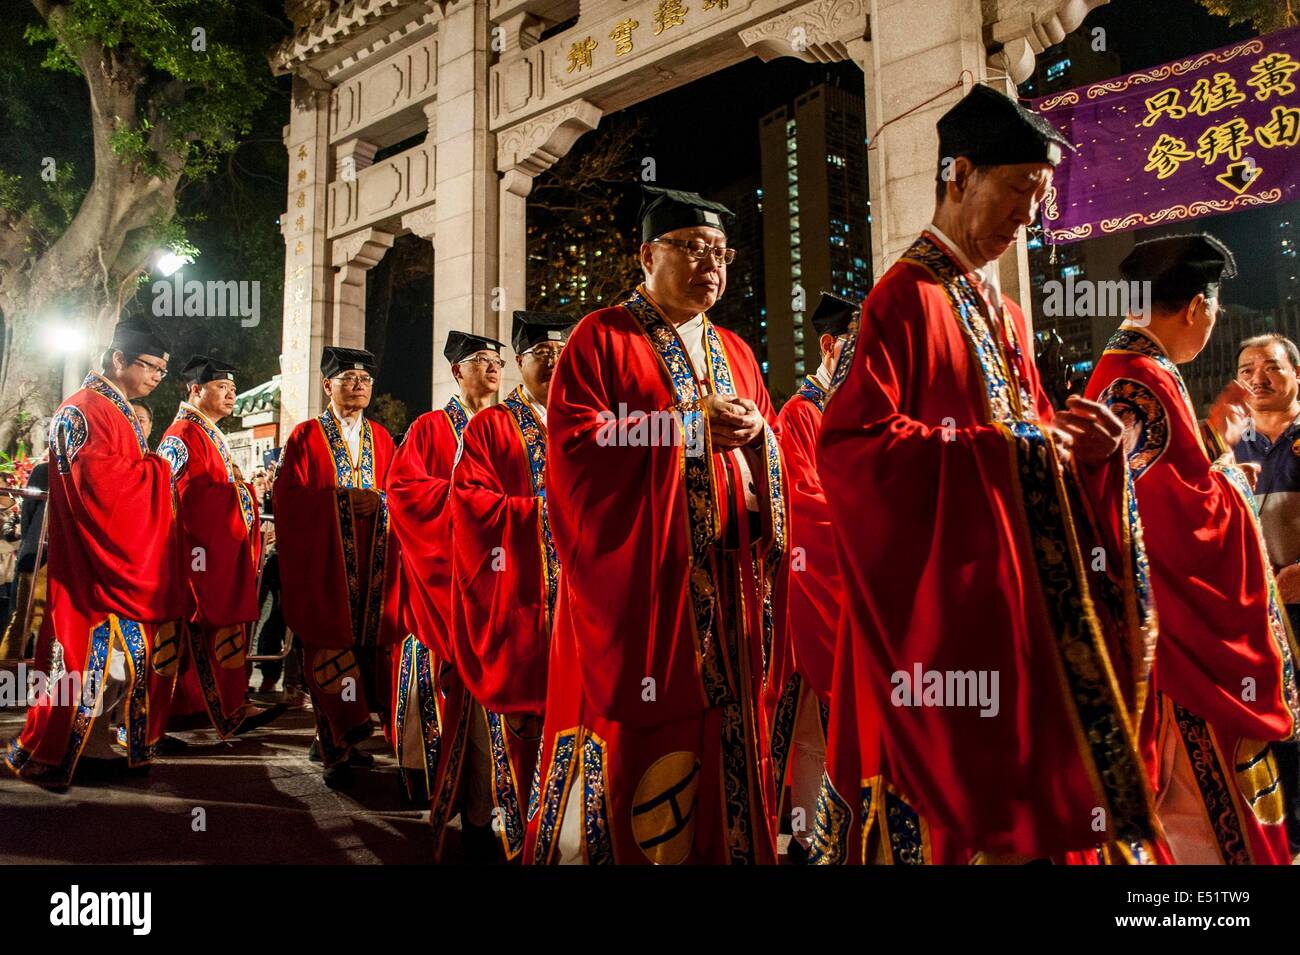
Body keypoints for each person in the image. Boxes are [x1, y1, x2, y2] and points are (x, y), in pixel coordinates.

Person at [811, 84, 1161, 864]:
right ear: (958, 174)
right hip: (937, 627)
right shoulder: (898, 301)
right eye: (1019, 191)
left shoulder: (995, 310)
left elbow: (1033, 432)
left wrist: (1086, 450)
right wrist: (1011, 449)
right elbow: (850, 451)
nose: (1029, 217)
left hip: (1012, 611)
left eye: (1040, 198)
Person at [525, 186, 786, 865]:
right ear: (646, 254)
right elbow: (579, 442)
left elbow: (769, 446)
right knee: (643, 737)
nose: (712, 265)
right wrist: (689, 428)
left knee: (727, 727)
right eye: (693, 249)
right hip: (644, 587)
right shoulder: (601, 336)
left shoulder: (736, 348)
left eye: (722, 254)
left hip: (725, 590)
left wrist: (762, 438)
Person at [1086, 246, 1300, 866]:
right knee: (1202, 817)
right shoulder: (1139, 379)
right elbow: (1170, 518)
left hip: (1158, 629)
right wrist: (1232, 479)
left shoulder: (1134, 370)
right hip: (1175, 642)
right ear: (1199, 307)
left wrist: (1212, 455)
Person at [4, 319, 182, 788]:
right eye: (151, 366)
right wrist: (159, 474)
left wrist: (149, 470)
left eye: (163, 371)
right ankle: (66, 749)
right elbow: (99, 488)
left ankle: (94, 743)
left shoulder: (114, 408)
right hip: (90, 562)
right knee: (85, 660)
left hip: (106, 560)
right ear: (119, 359)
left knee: (112, 665)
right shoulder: (83, 409)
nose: (157, 377)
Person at [428, 315, 568, 863]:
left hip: (575, 599)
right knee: (510, 713)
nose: (554, 358)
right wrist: (546, 516)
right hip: (511, 592)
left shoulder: (581, 423)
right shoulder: (490, 426)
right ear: (521, 361)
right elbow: (468, 506)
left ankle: (556, 825)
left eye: (561, 347)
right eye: (541, 350)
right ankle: (498, 825)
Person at [272, 346, 401, 788]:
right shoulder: (306, 437)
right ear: (328, 385)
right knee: (330, 648)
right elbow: (287, 501)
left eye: (366, 379)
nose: (359, 385)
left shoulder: (382, 439)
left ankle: (347, 735)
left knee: (368, 653)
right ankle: (334, 749)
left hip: (373, 568)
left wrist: (381, 501)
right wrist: (342, 502)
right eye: (348, 378)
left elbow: (400, 494)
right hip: (327, 568)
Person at [388, 330, 503, 815]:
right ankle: (429, 776)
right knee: (432, 679)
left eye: (498, 361)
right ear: (457, 372)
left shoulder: (506, 424)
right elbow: (404, 492)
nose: (494, 369)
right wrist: (468, 507)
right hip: (442, 578)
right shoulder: (430, 428)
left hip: (497, 578)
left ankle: (493, 791)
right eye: (481, 361)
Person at [766, 291, 856, 863]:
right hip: (813, 585)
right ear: (829, 345)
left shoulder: (857, 411)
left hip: (852, 581)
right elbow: (804, 501)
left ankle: (833, 835)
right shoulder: (801, 413)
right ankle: (807, 839)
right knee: (809, 724)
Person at [155, 355, 284, 738]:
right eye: (222, 388)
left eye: (232, 389)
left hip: (215, 552)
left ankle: (209, 706)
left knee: (215, 633)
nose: (231, 395)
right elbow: (186, 498)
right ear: (196, 390)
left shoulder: (206, 431)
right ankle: (193, 710)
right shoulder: (182, 435)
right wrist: (243, 492)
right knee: (195, 632)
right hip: (197, 554)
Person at [1235, 332, 1300, 854]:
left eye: (1272, 366)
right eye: (1247, 367)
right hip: (1253, 615)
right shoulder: (1227, 446)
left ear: (1295, 375)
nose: (1259, 376)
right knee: (1274, 724)